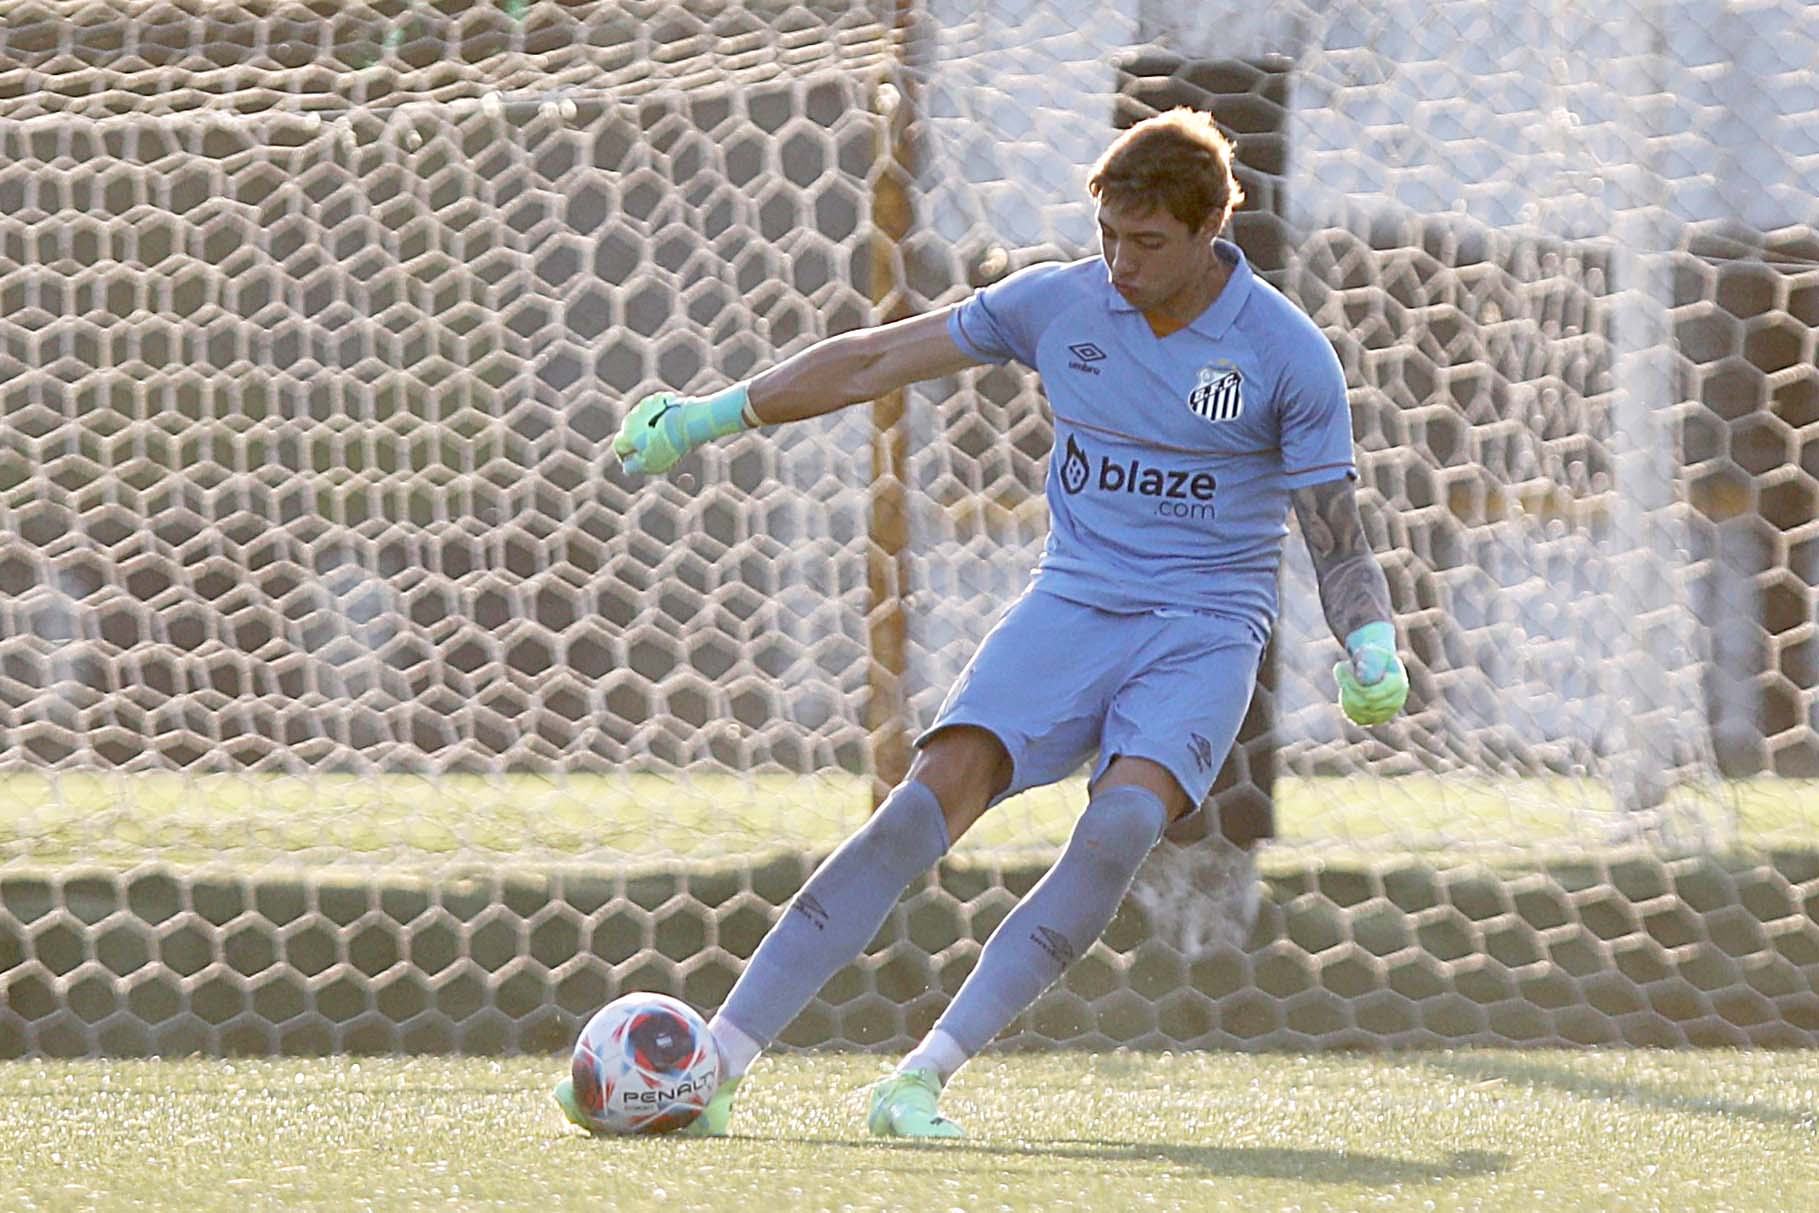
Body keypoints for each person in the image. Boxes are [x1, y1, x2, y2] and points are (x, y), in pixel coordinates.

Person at [557, 107, 1408, 1139]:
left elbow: (1334, 529)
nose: (1120, 263)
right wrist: (711, 413)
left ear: (1208, 231)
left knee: (1124, 824)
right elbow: (876, 360)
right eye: (1108, 235)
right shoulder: (1059, 303)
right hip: (1071, 604)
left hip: (1203, 628)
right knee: (920, 807)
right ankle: (715, 1063)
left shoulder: (1286, 355)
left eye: (1147, 244)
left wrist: (1367, 637)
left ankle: (919, 1078)